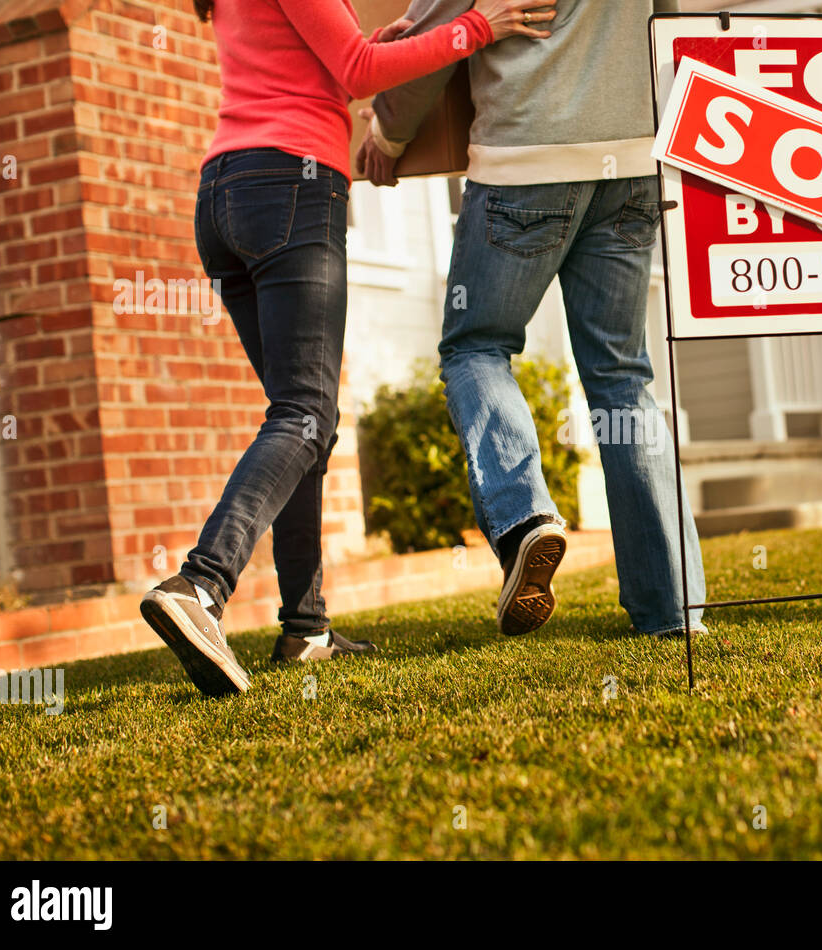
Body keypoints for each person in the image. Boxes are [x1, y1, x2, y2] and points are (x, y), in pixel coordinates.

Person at [142, 0, 556, 698]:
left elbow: (313, 61)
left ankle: (304, 628)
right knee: (305, 415)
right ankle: (201, 586)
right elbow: (360, 72)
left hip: (225, 193)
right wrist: (480, 26)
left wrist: (372, 41)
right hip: (291, 189)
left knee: (300, 419)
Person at [355, 0, 706, 640]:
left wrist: (387, 135)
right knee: (624, 377)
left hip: (526, 159)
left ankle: (522, 520)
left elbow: (435, 31)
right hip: (634, 160)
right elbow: (673, 23)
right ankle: (673, 608)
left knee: (476, 348)